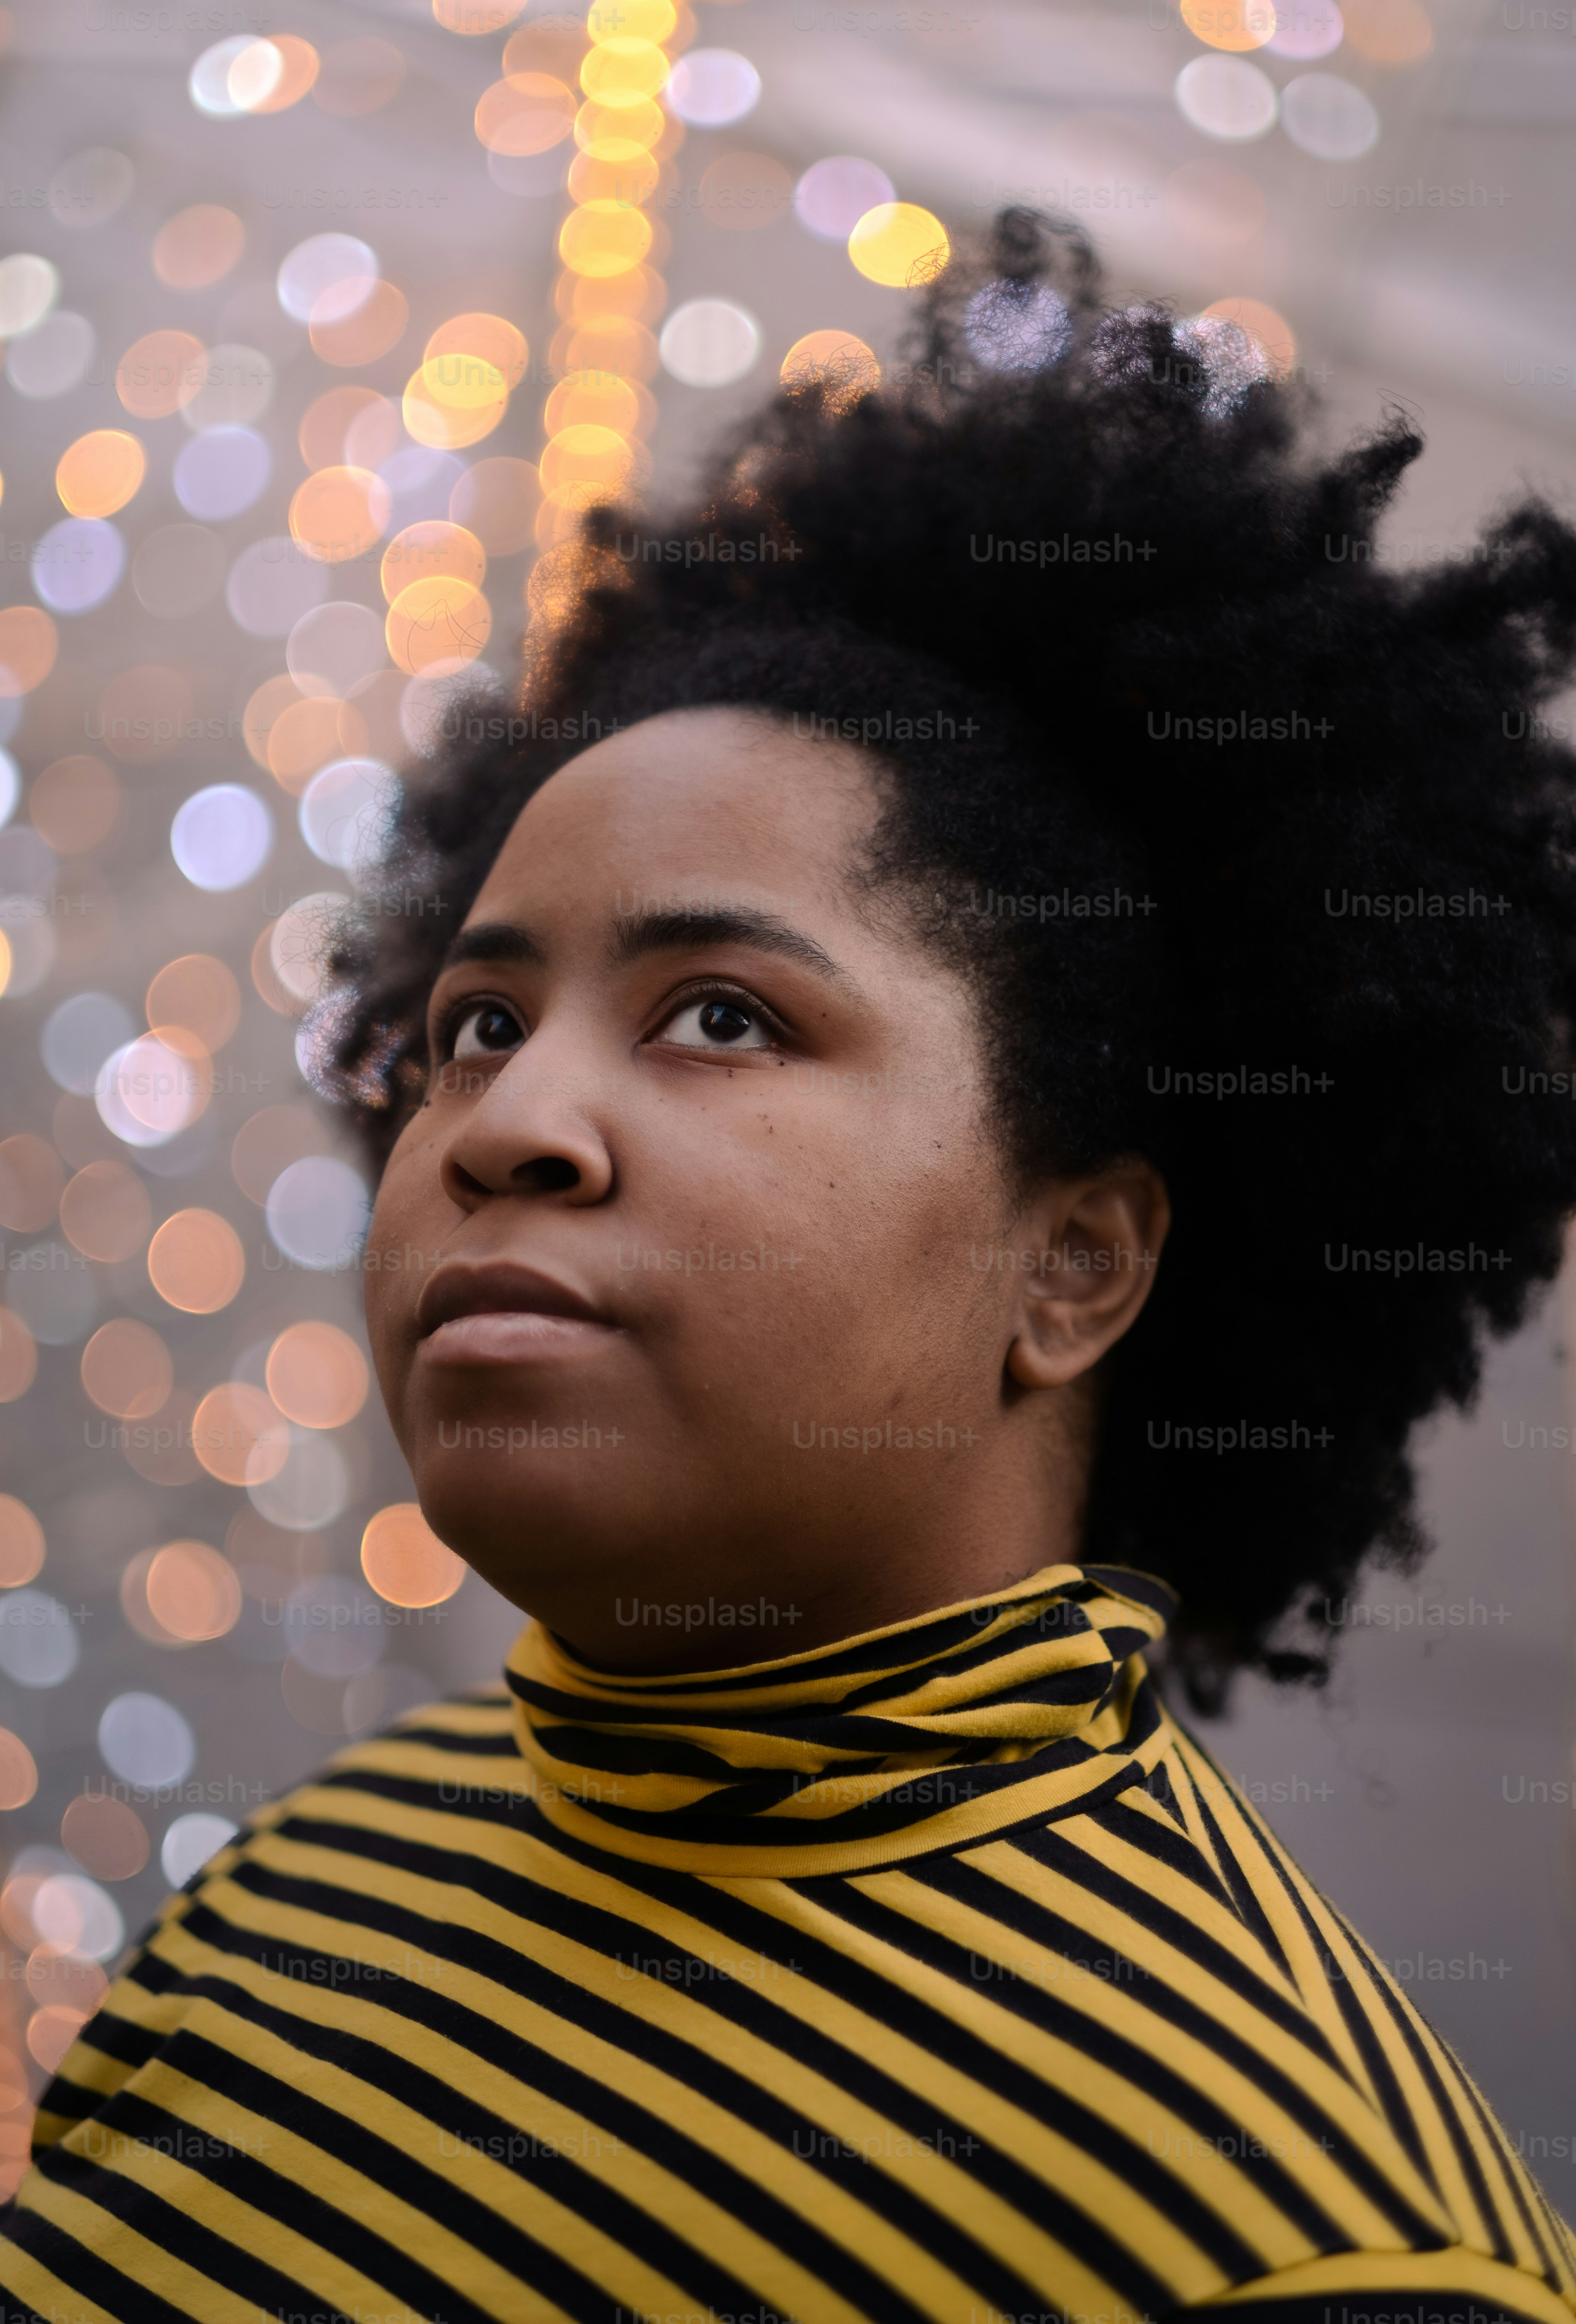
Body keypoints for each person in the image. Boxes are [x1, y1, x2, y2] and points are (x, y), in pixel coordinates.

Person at [5, 210, 1576, 2324]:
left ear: (1076, 1264)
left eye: (723, 1016)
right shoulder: (304, 1888)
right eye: (477, 1023)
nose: (506, 1124)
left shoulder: (1311, 2243)